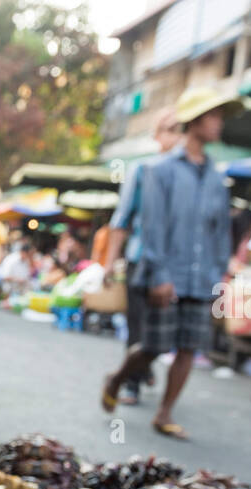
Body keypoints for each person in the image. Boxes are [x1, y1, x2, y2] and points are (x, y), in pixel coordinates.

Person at [101, 88, 236, 439]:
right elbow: (152, 227)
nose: (220, 124)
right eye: (214, 117)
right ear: (195, 123)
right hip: (164, 272)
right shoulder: (155, 171)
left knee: (190, 346)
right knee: (154, 344)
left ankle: (164, 412)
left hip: (201, 274)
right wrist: (159, 274)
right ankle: (119, 378)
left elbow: (221, 230)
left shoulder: (217, 179)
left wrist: (221, 270)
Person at [104, 110, 182, 404]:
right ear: (157, 136)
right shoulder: (143, 169)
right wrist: (109, 263)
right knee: (139, 326)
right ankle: (131, 382)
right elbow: (121, 219)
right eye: (169, 129)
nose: (176, 136)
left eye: (180, 129)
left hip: (177, 264)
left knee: (167, 331)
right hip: (142, 259)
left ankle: (140, 367)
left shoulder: (191, 175)